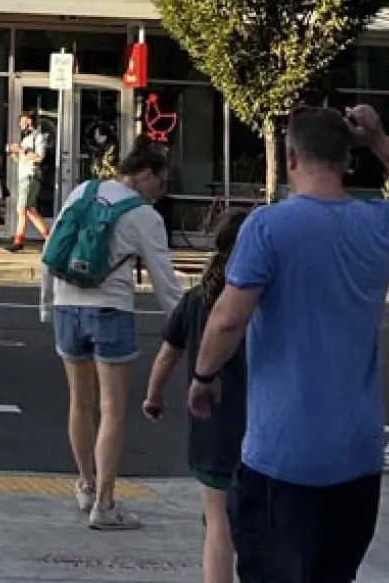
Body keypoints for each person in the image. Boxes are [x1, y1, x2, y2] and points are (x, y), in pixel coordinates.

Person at [188, 105, 389, 583]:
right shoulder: (380, 226)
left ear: (290, 158)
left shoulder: (267, 227)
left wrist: (203, 377)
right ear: (348, 159)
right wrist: (381, 141)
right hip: (356, 459)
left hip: (280, 458)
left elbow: (227, 319)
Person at [39, 139, 185, 530]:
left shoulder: (82, 191)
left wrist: (48, 302)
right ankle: (104, 505)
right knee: (114, 410)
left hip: (67, 305)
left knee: (79, 404)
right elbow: (165, 285)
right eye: (162, 183)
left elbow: (51, 249)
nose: (161, 193)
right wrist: (186, 325)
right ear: (147, 174)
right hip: (111, 309)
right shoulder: (143, 216)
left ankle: (85, 485)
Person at [144, 210, 249, 583]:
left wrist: (153, 396)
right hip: (266, 429)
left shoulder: (194, 302)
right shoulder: (266, 301)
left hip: (213, 430)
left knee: (217, 523)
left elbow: (167, 354)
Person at [6, 113, 53, 253]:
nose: (20, 125)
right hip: (24, 175)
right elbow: (23, 159)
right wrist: (12, 153)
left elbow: (39, 157)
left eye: (22, 121)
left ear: (29, 121)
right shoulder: (26, 138)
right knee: (29, 210)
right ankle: (50, 239)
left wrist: (21, 150)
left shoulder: (39, 137)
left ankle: (18, 241)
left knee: (22, 209)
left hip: (30, 176)